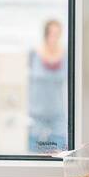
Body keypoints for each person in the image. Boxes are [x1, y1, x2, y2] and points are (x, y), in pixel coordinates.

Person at [27, 19, 68, 154]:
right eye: (52, 33)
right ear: (45, 34)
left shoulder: (65, 55)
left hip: (57, 115)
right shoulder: (34, 53)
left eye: (57, 34)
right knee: (34, 155)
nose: (54, 37)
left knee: (59, 153)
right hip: (36, 116)